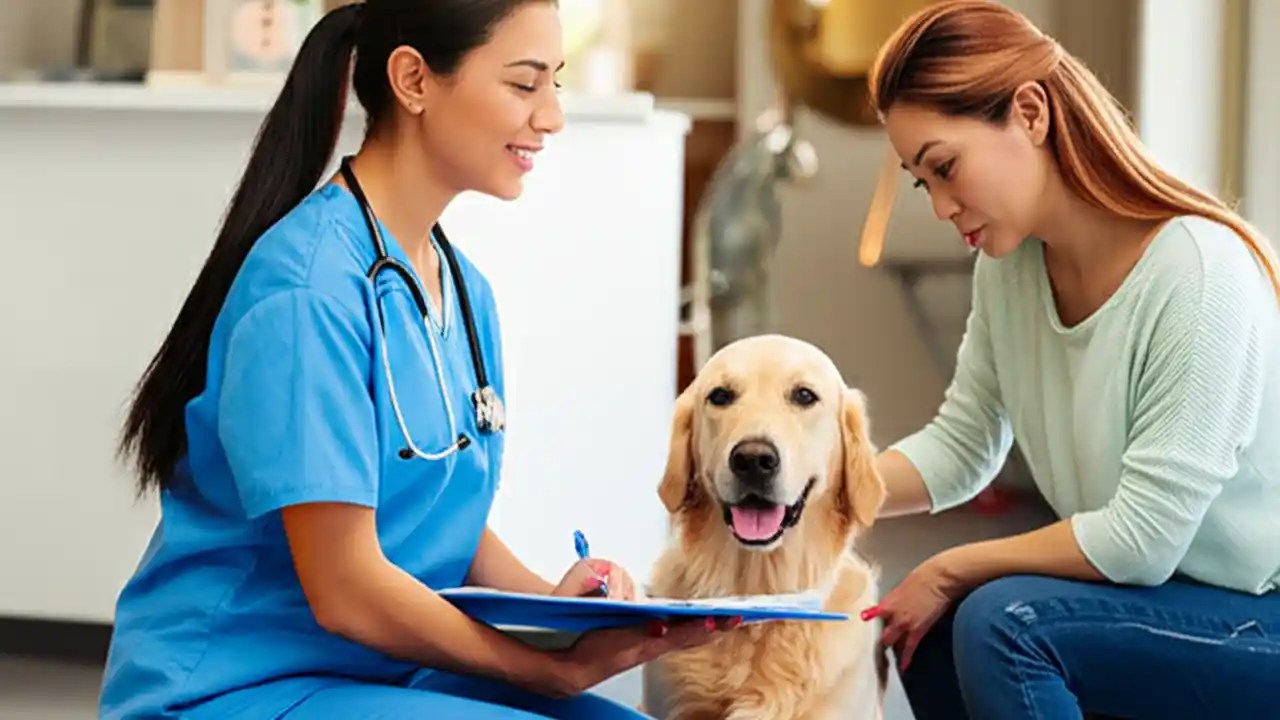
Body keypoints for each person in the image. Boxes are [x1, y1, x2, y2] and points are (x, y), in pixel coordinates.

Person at [99, 2, 737, 718]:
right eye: (525, 85)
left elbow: (440, 514)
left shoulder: (463, 292)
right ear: (413, 80)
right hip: (237, 688)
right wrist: (536, 670)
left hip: (381, 674)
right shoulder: (307, 289)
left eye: (554, 83)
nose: (553, 116)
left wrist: (565, 603)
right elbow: (345, 589)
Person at [859, 1, 1280, 719]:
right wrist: (804, 494)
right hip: (1157, 600)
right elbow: (964, 447)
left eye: (946, 167)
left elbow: (1142, 540)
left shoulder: (1202, 274)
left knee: (999, 623)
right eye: (924, 181)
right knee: (925, 632)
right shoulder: (1010, 268)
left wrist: (951, 565)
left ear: (1030, 112)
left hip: (1256, 620)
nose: (939, 206)